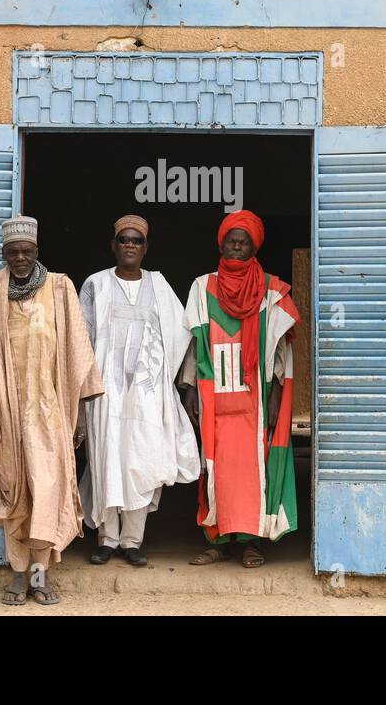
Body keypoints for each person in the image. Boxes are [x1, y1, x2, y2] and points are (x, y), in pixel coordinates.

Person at [0, 216, 103, 606]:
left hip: (50, 414)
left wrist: (81, 417)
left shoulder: (59, 288)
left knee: (48, 491)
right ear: (3, 254)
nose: (19, 258)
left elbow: (78, 355)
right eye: (12, 252)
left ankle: (40, 575)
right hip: (6, 414)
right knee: (14, 495)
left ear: (37, 252)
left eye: (26, 251)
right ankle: (18, 574)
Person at [179, 209, 300, 568]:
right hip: (214, 397)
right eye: (231, 239)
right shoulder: (203, 287)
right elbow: (193, 343)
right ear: (221, 242)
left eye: (243, 241)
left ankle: (252, 543)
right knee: (214, 469)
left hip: (257, 398)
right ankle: (218, 541)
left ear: (253, 247)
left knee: (255, 471)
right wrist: (188, 391)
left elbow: (282, 349)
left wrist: (277, 396)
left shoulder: (271, 291)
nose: (236, 245)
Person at [78, 215, 199, 567]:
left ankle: (132, 541)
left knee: (141, 462)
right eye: (124, 240)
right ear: (113, 245)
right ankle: (106, 538)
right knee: (106, 460)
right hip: (105, 391)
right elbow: (82, 338)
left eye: (136, 241)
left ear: (145, 248)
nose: (130, 245)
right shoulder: (95, 285)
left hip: (147, 394)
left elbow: (182, 332)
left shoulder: (159, 285)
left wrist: (167, 381)